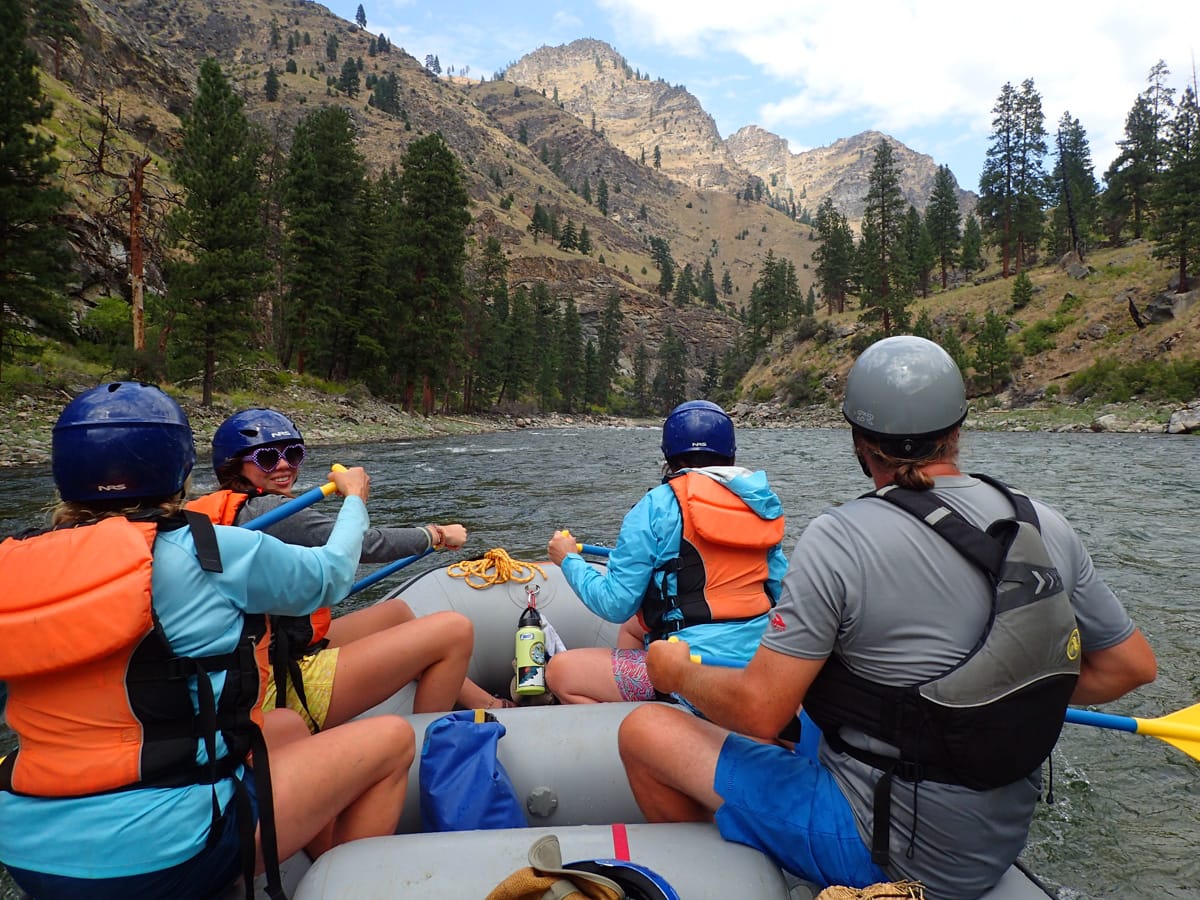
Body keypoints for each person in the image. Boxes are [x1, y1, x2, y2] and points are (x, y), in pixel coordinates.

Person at [617, 336, 1158, 899]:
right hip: (993, 844)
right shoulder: (1042, 523)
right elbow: (1130, 666)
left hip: (883, 845)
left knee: (644, 731)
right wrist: (994, 702)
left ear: (859, 442)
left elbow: (758, 710)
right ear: (957, 429)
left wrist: (675, 671)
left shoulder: (840, 537)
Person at [0, 382, 412, 900]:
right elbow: (331, 576)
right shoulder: (211, 548)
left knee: (281, 726)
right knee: (392, 739)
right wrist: (354, 500)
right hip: (165, 855)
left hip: (25, 852)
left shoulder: (11, 569)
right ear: (178, 469)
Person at [192, 408, 501, 732]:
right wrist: (434, 534)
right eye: (267, 458)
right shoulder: (268, 511)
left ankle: (485, 703)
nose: (283, 465)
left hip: (264, 651)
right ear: (234, 465)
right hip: (272, 682)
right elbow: (363, 544)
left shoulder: (224, 507)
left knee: (395, 613)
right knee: (455, 631)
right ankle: (429, 747)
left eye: (293, 454)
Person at [545, 400, 787, 704]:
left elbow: (616, 603)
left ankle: (656, 725)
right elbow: (781, 591)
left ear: (667, 455)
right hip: (756, 664)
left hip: (692, 674)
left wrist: (568, 560)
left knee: (560, 672)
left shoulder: (655, 506)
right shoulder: (760, 504)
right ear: (731, 454)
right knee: (635, 627)